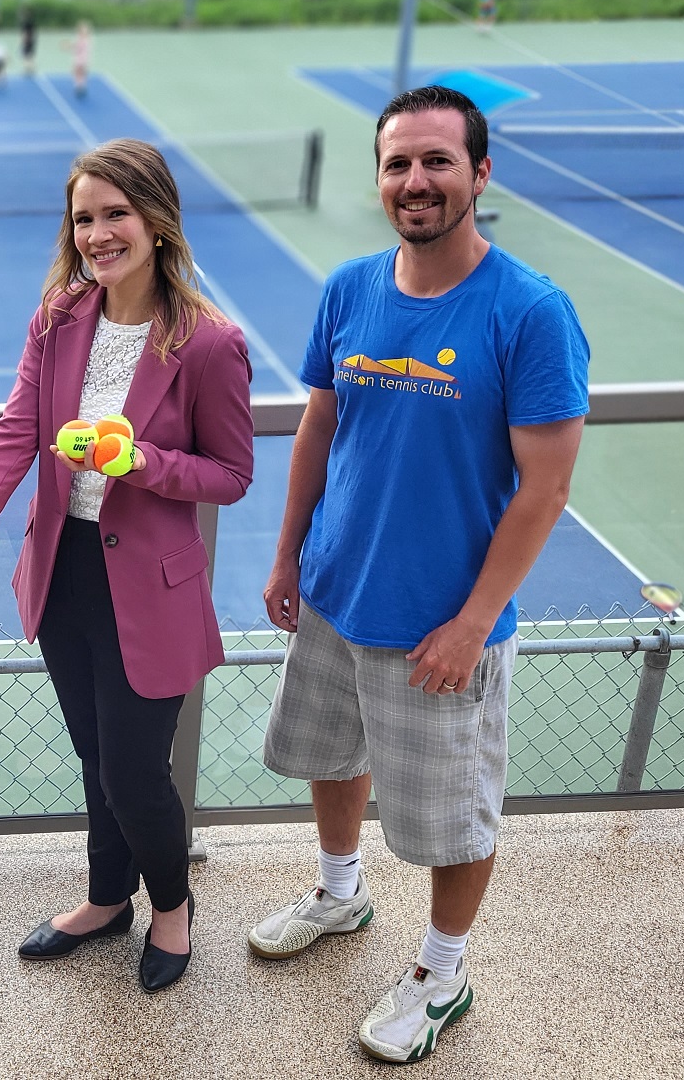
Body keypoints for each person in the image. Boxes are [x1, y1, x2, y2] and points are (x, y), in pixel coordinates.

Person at [248, 85, 588, 1063]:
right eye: (398, 163)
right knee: (330, 754)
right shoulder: (349, 288)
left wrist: (473, 620)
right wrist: (287, 554)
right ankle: (338, 893)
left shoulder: (529, 311)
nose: (415, 181)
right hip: (333, 594)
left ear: (479, 174)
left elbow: (544, 489)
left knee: (452, 817)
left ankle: (442, 973)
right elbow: (320, 424)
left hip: (441, 624)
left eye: (437, 161)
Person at [0, 139, 255, 994]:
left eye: (116, 214)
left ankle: (171, 907)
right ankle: (109, 898)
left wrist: (143, 462)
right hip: (65, 570)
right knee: (93, 753)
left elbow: (232, 474)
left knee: (135, 768)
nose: (100, 234)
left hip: (151, 586)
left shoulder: (210, 343)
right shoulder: (60, 318)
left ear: (156, 220)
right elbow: (8, 442)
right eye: (85, 218)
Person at [68, 20, 92, 97]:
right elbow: (76, 46)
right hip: (79, 58)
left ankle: (80, 87)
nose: (84, 32)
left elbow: (78, 47)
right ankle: (79, 87)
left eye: (85, 30)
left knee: (80, 73)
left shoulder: (85, 40)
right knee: (78, 73)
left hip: (82, 59)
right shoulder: (81, 38)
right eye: (82, 30)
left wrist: (70, 46)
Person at [20, 6, 38, 76]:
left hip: (28, 41)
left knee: (26, 55)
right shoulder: (32, 22)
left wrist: (24, 40)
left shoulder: (25, 23)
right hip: (32, 40)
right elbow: (34, 32)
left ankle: (28, 69)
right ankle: (31, 68)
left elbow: (25, 33)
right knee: (30, 55)